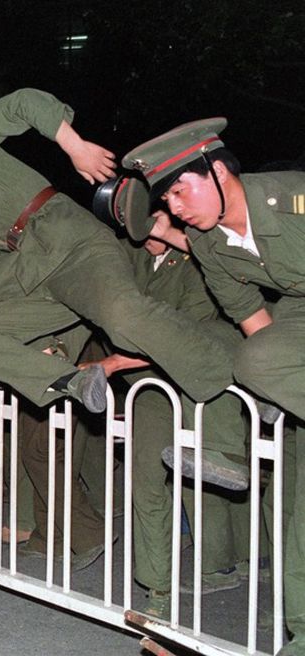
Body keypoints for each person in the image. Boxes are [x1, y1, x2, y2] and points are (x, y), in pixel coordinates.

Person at [0, 88, 234, 423]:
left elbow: (21, 103)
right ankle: (71, 381)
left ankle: (231, 367)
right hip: (36, 286)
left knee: (123, 320)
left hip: (72, 247)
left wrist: (76, 148)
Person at [123, 118, 305, 654]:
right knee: (249, 357)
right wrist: (277, 385)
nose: (175, 207)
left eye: (181, 189)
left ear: (220, 170)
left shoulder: (294, 199)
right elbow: (256, 329)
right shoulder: (207, 245)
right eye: (166, 197)